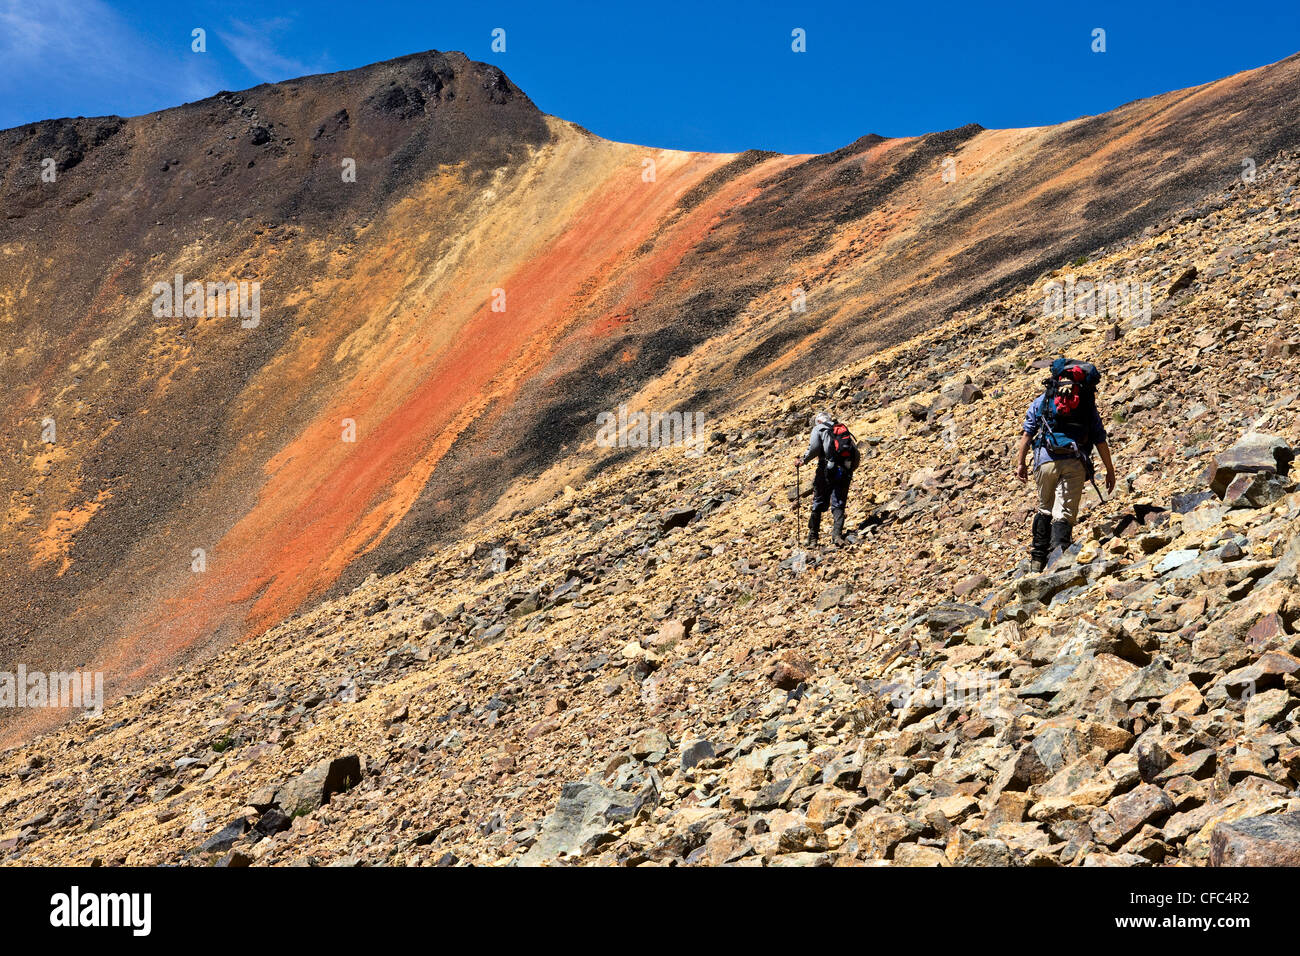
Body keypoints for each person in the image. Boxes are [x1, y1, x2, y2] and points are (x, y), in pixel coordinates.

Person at [1014, 359, 1116, 572]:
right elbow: (1099, 439)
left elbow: (1027, 435)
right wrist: (1109, 469)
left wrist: (1021, 463)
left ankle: (1037, 561)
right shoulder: (1086, 403)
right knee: (1065, 513)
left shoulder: (1042, 401)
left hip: (1044, 459)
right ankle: (1059, 560)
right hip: (1075, 460)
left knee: (1045, 507)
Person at [796, 411, 860, 547]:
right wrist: (849, 470)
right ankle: (837, 536)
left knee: (818, 501)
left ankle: (813, 538)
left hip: (825, 469)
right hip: (844, 470)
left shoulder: (819, 428)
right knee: (839, 502)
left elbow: (814, 448)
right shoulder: (841, 429)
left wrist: (803, 460)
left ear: (818, 421)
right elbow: (855, 452)